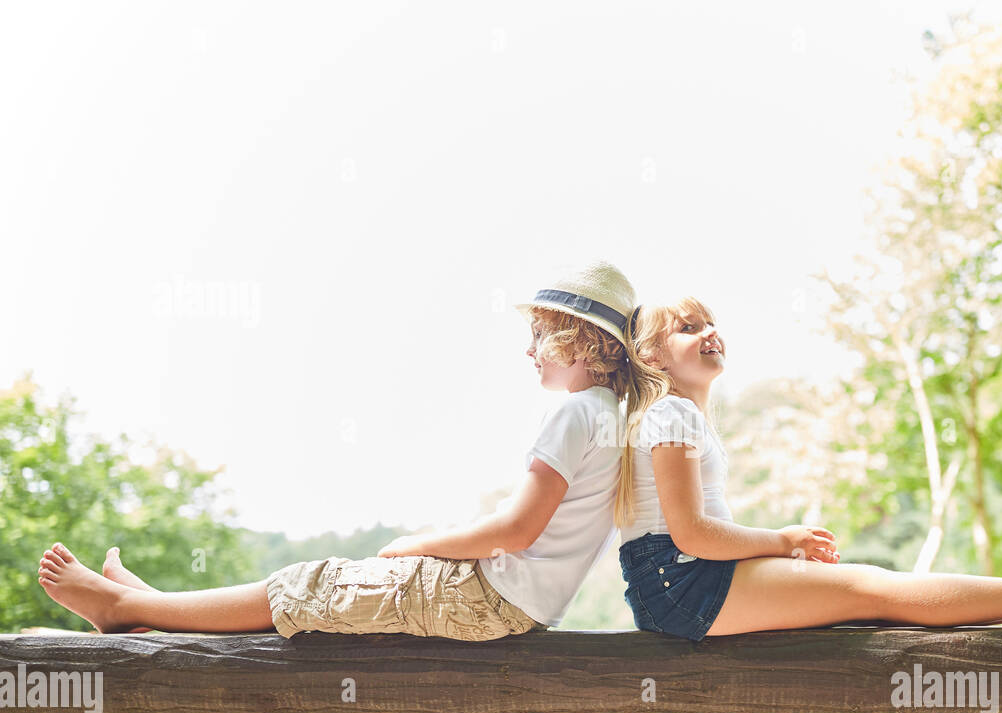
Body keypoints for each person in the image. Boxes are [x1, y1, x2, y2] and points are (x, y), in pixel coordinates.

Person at [37, 260, 638, 640]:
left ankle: (122, 606)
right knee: (317, 587)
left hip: (489, 602)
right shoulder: (607, 417)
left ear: (576, 339)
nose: (528, 350)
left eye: (538, 335)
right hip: (510, 604)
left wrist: (417, 545)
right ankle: (149, 604)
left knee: (309, 585)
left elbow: (516, 530)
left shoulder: (572, 413)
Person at [614, 296, 1002, 641]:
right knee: (870, 589)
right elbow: (691, 535)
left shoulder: (680, 417)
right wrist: (784, 540)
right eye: (689, 327)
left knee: (870, 587)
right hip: (678, 583)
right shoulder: (672, 413)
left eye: (710, 322)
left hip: (678, 581)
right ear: (652, 356)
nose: (711, 332)